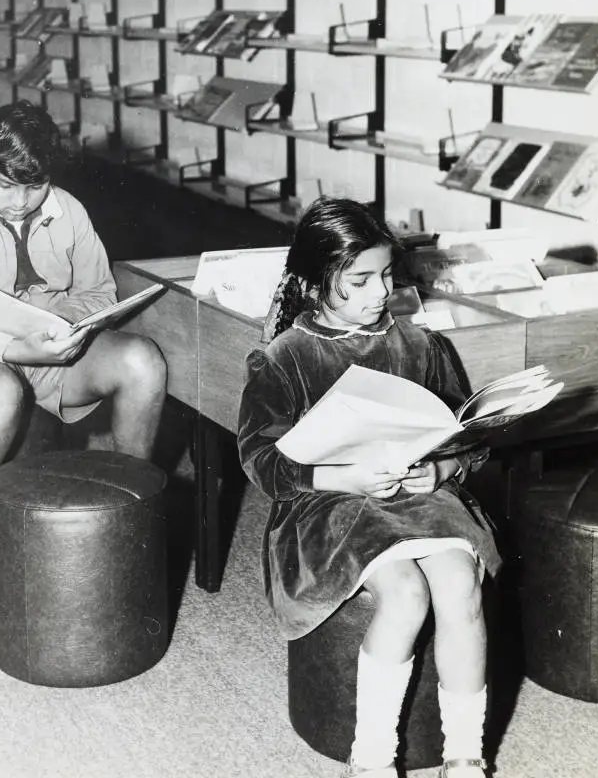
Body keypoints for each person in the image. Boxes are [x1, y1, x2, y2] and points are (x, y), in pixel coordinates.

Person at [237, 197, 501, 778]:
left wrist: (442, 470)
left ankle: (466, 753)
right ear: (314, 281)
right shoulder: (285, 357)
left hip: (420, 495)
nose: (380, 291)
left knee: (460, 583)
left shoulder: (418, 343)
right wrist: (340, 475)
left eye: (385, 275)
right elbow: (260, 462)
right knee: (405, 594)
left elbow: (465, 435)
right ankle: (373, 757)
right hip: (328, 505)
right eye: (359, 280)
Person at [0, 100, 167, 614]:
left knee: (143, 362)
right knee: (0, 390)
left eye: (36, 185)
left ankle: (128, 514)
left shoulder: (66, 210)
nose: (23, 201)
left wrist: (66, 323)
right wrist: (8, 349)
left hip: (48, 355)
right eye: (7, 185)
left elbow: (100, 289)